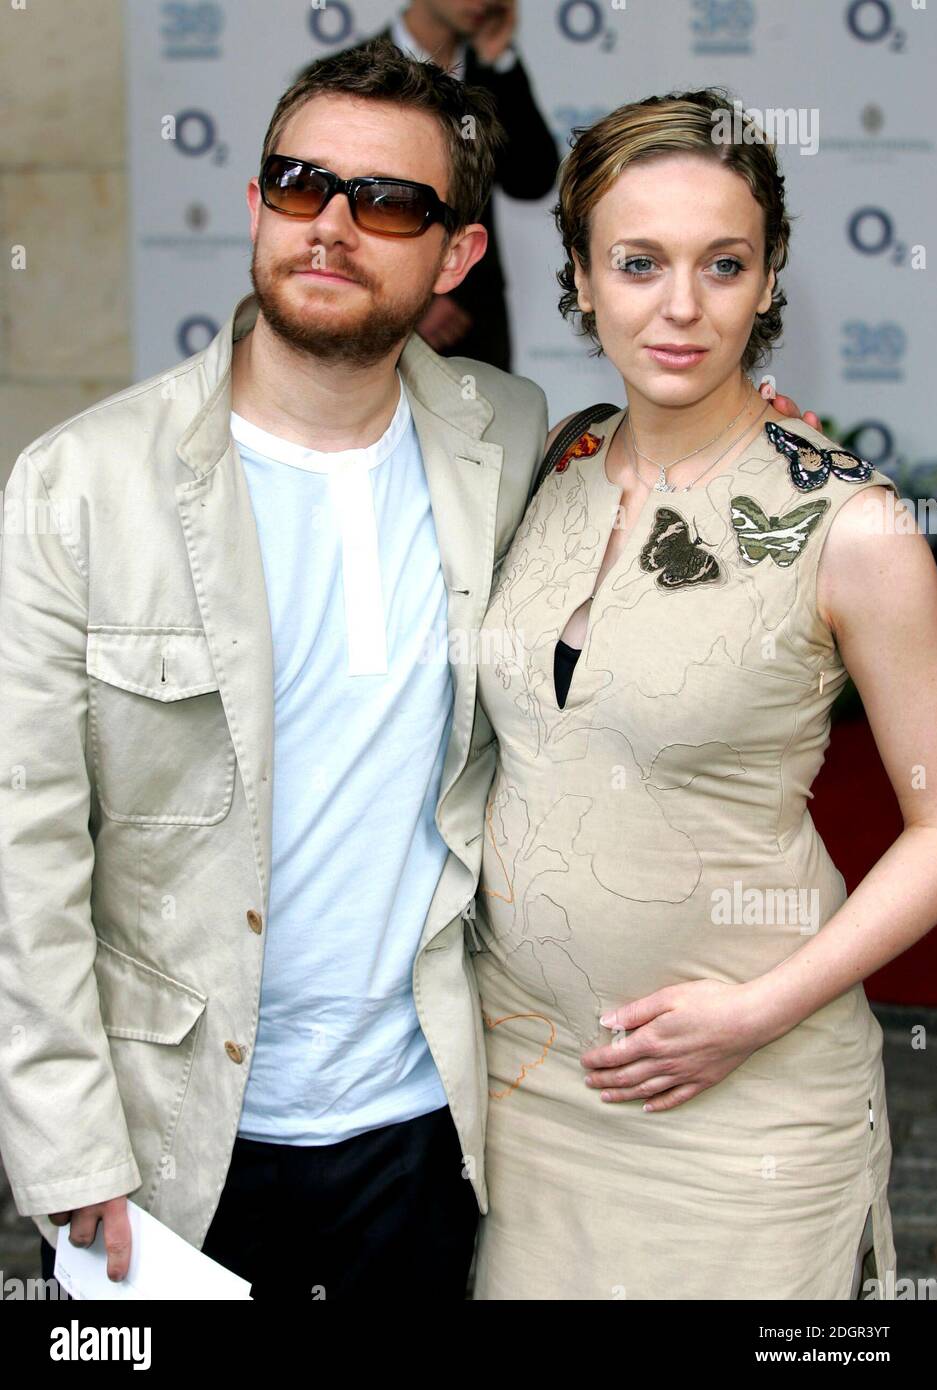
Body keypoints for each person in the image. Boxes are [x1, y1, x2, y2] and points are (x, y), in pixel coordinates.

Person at [0, 44, 813, 1301]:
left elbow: (665, 471)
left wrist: (773, 453)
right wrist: (63, 1143)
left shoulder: (506, 438)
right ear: (256, 203)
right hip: (172, 1137)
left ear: (456, 260)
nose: (331, 225)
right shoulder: (80, 484)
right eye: (297, 183)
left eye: (386, 203)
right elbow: (27, 844)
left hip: (431, 1128)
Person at [467, 89, 937, 1300]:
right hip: (526, 1084)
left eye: (721, 264)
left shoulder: (858, 528)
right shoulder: (552, 459)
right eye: (638, 262)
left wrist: (754, 1012)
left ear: (770, 275)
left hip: (747, 1107)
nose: (680, 307)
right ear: (578, 271)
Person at [317, 1, 559, 369]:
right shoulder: (341, 76)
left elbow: (532, 180)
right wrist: (416, 300)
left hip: (474, 332)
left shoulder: (490, 72)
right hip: (371, 326)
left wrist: (501, 60)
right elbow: (328, 205)